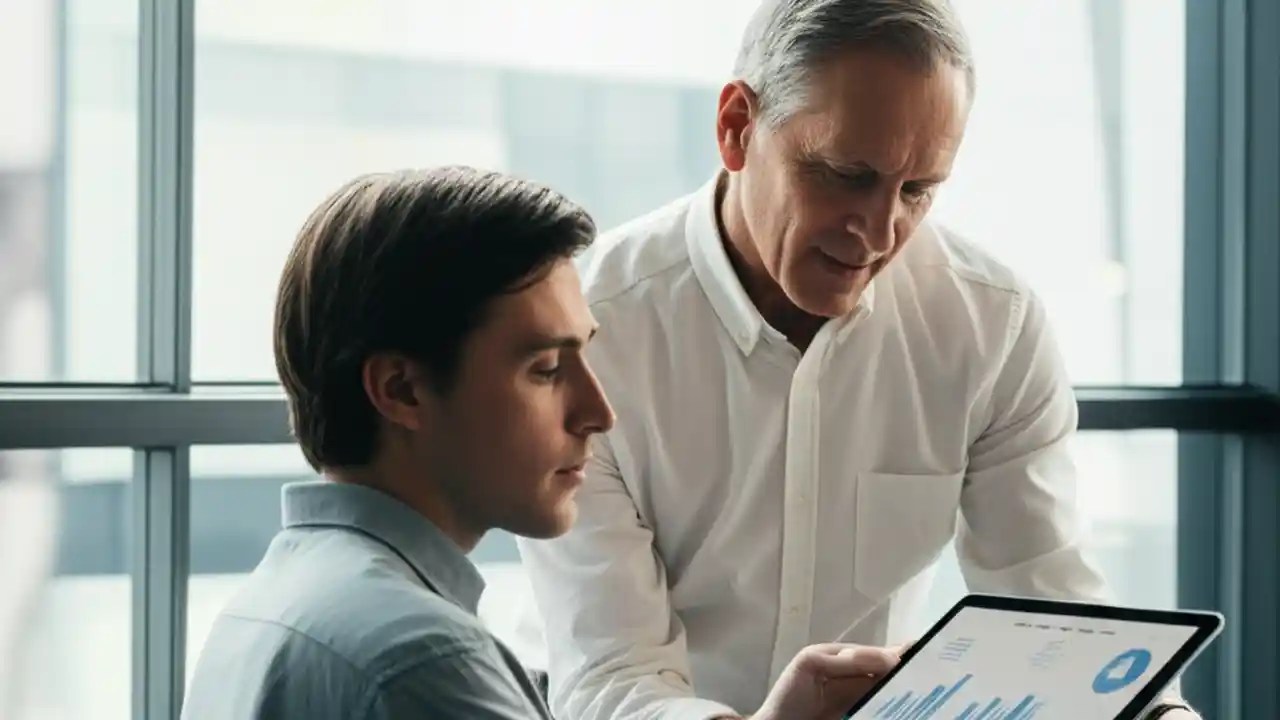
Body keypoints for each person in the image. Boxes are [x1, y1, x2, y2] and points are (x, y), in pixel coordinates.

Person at [514, 2, 1198, 719]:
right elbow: (612, 677)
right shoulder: (597, 331)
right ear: (737, 128)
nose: (878, 232)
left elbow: (1047, 607)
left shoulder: (990, 324)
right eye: (845, 175)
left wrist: (1156, 714)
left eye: (917, 191)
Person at [181, 166, 898, 720]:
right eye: (546, 369)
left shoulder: (259, 614)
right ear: (401, 390)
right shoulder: (423, 659)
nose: (598, 410)